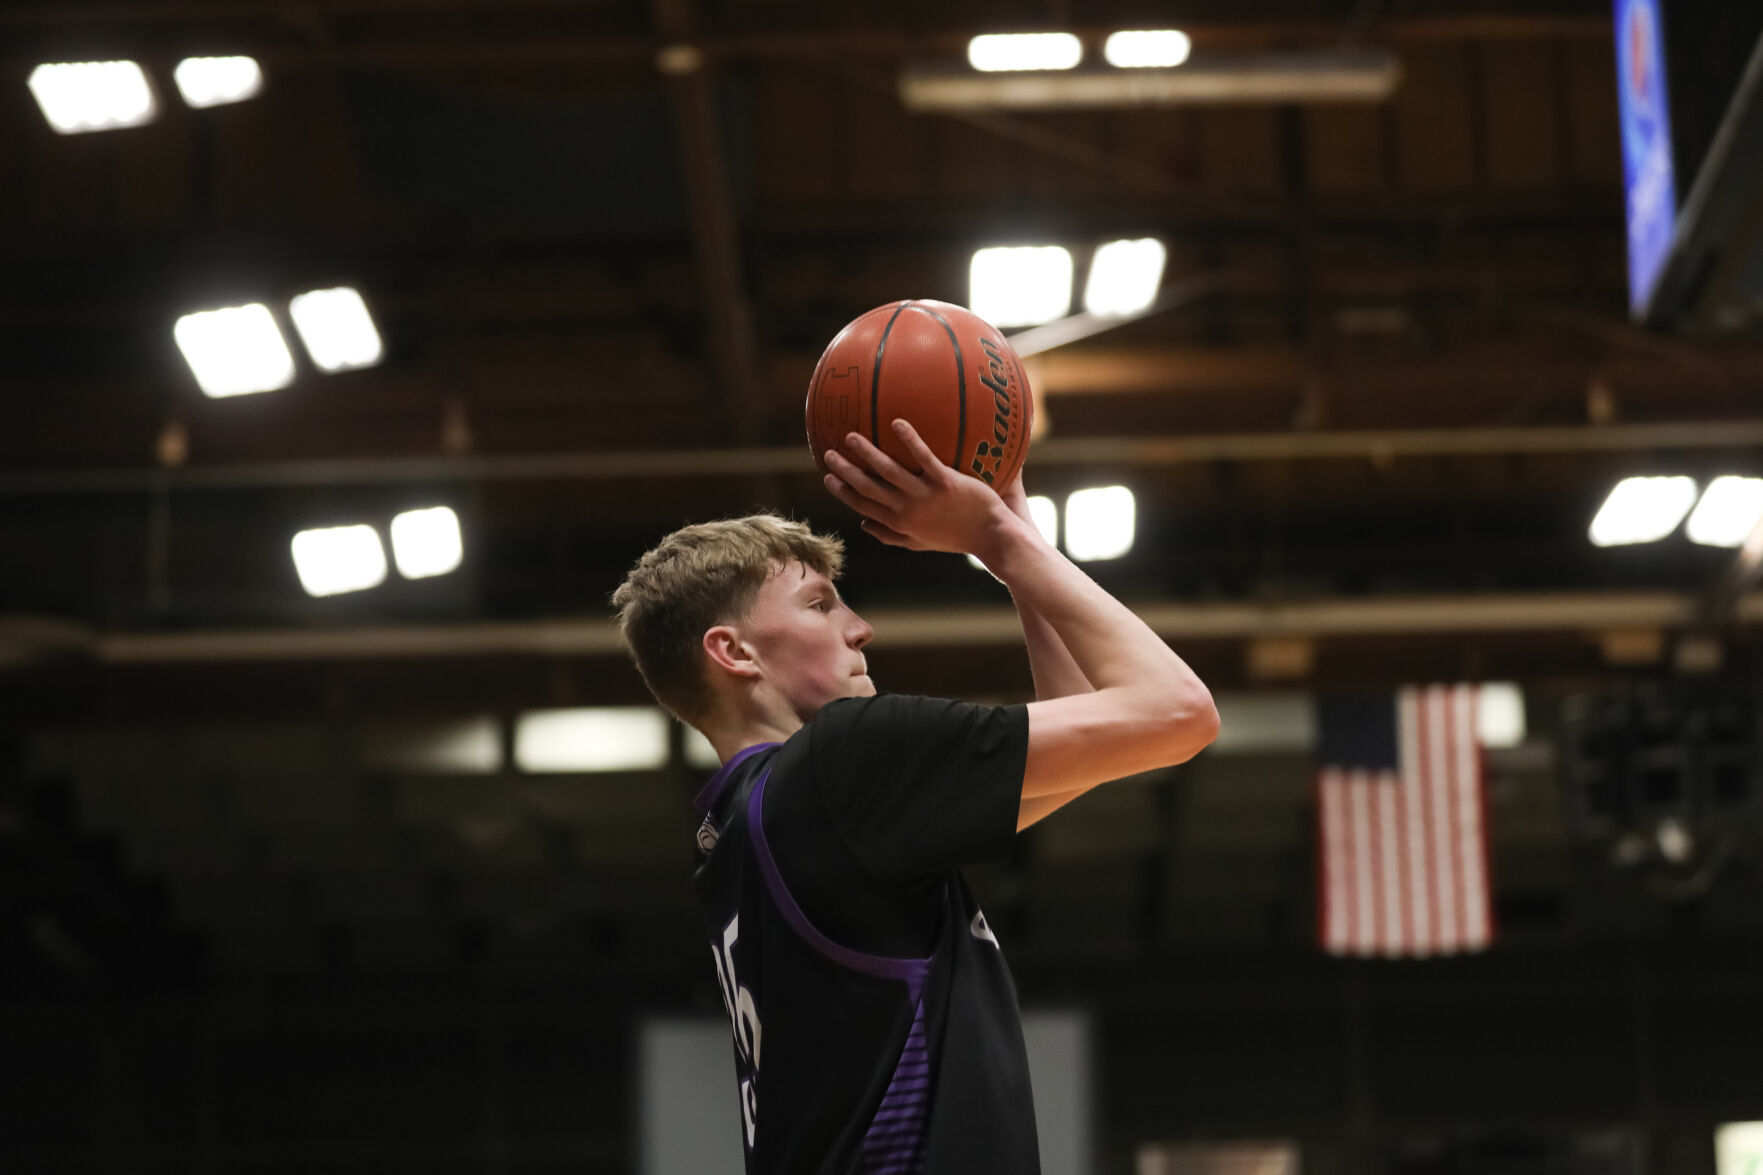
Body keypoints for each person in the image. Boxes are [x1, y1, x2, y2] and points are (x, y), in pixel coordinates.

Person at [611, 420, 1219, 1174]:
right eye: (820, 603)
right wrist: (995, 537)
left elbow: (1087, 747)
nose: (860, 627)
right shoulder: (840, 764)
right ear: (733, 650)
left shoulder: (742, 825)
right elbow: (1179, 711)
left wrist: (1016, 527)